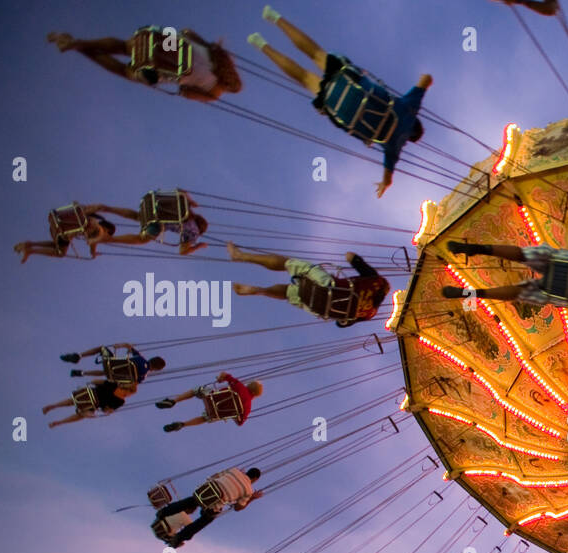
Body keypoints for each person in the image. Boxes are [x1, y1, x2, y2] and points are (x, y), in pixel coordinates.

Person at [246, 7, 429, 197]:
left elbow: (426, 79)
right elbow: (388, 176)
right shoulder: (393, 148)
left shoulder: (409, 108)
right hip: (336, 104)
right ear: (409, 139)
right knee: (304, 77)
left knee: (315, 53)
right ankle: (259, 44)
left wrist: (423, 87)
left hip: (351, 82)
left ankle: (273, 17)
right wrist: (384, 184)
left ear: (416, 121)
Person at [442, 238, 568, 326]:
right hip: (553, 290)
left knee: (524, 254)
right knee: (520, 292)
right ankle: (473, 293)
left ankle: (481, 249)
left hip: (557, 263)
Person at [47, 28, 242, 102]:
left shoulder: (215, 53)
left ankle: (78, 42)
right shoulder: (215, 92)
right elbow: (186, 92)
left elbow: (188, 32)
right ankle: (77, 48)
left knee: (123, 46)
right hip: (165, 69)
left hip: (166, 43)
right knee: (123, 70)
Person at [227, 243, 389, 323]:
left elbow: (350, 257)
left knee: (288, 263)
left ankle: (241, 256)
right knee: (286, 293)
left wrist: (353, 260)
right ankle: (257, 290)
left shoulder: (377, 281)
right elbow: (342, 324)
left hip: (328, 287)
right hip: (319, 308)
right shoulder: (370, 313)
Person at [155, 466, 263, 547]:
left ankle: (164, 512)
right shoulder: (248, 490)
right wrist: (252, 498)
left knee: (191, 502)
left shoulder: (234, 471)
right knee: (206, 519)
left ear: (247, 471)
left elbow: (216, 475)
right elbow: (238, 508)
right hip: (213, 503)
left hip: (204, 491)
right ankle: (180, 537)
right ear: (255, 479)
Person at [83, 196, 208, 256]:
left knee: (138, 216)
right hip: (158, 223)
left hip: (151, 209)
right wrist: (198, 247)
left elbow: (181, 192)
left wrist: (191, 200)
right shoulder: (194, 232)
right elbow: (183, 251)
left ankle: (106, 208)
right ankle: (106, 238)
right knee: (142, 239)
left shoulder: (187, 211)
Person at [156, 371, 262, 432]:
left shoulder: (240, 386)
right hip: (217, 412)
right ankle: (183, 424)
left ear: (249, 385)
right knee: (205, 418)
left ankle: (174, 401)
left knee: (196, 390)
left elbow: (225, 375)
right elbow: (240, 422)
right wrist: (234, 414)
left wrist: (220, 378)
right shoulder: (248, 406)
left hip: (212, 398)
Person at [15, 205, 116, 262]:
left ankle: (30, 244)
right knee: (60, 253)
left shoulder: (91, 218)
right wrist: (94, 254)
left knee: (57, 246)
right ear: (107, 230)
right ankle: (31, 251)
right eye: (107, 234)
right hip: (63, 231)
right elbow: (92, 243)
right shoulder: (98, 229)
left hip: (55, 223)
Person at [41, 379, 134, 428]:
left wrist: (92, 383)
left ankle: (53, 406)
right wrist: (108, 411)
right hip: (94, 404)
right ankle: (60, 422)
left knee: (73, 401)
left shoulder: (114, 385)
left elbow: (95, 381)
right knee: (82, 415)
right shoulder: (121, 401)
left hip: (89, 393)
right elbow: (107, 410)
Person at [61, 344, 166, 385]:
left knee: (102, 348)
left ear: (152, 359)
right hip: (113, 376)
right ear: (155, 369)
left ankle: (79, 356)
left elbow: (128, 346)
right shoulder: (143, 377)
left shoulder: (140, 358)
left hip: (111, 363)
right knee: (106, 373)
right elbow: (131, 384)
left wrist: (118, 346)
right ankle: (82, 373)